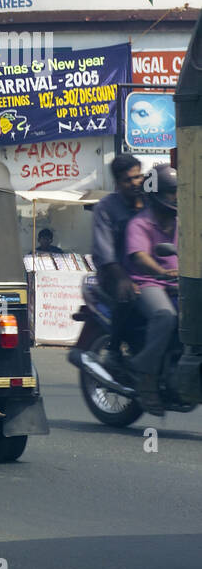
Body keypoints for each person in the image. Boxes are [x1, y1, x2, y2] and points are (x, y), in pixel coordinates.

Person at [124, 163, 179, 414]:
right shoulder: (140, 223)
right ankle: (146, 376)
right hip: (149, 283)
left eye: (177, 191)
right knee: (165, 316)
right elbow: (139, 256)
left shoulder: (182, 222)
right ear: (157, 194)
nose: (175, 197)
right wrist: (162, 271)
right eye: (170, 192)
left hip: (181, 284)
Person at [90, 153, 144, 356]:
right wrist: (122, 279)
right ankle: (114, 349)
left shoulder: (149, 203)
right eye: (128, 179)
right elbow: (105, 252)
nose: (134, 183)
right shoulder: (106, 207)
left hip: (147, 274)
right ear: (118, 183)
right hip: (114, 276)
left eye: (138, 176)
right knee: (129, 297)